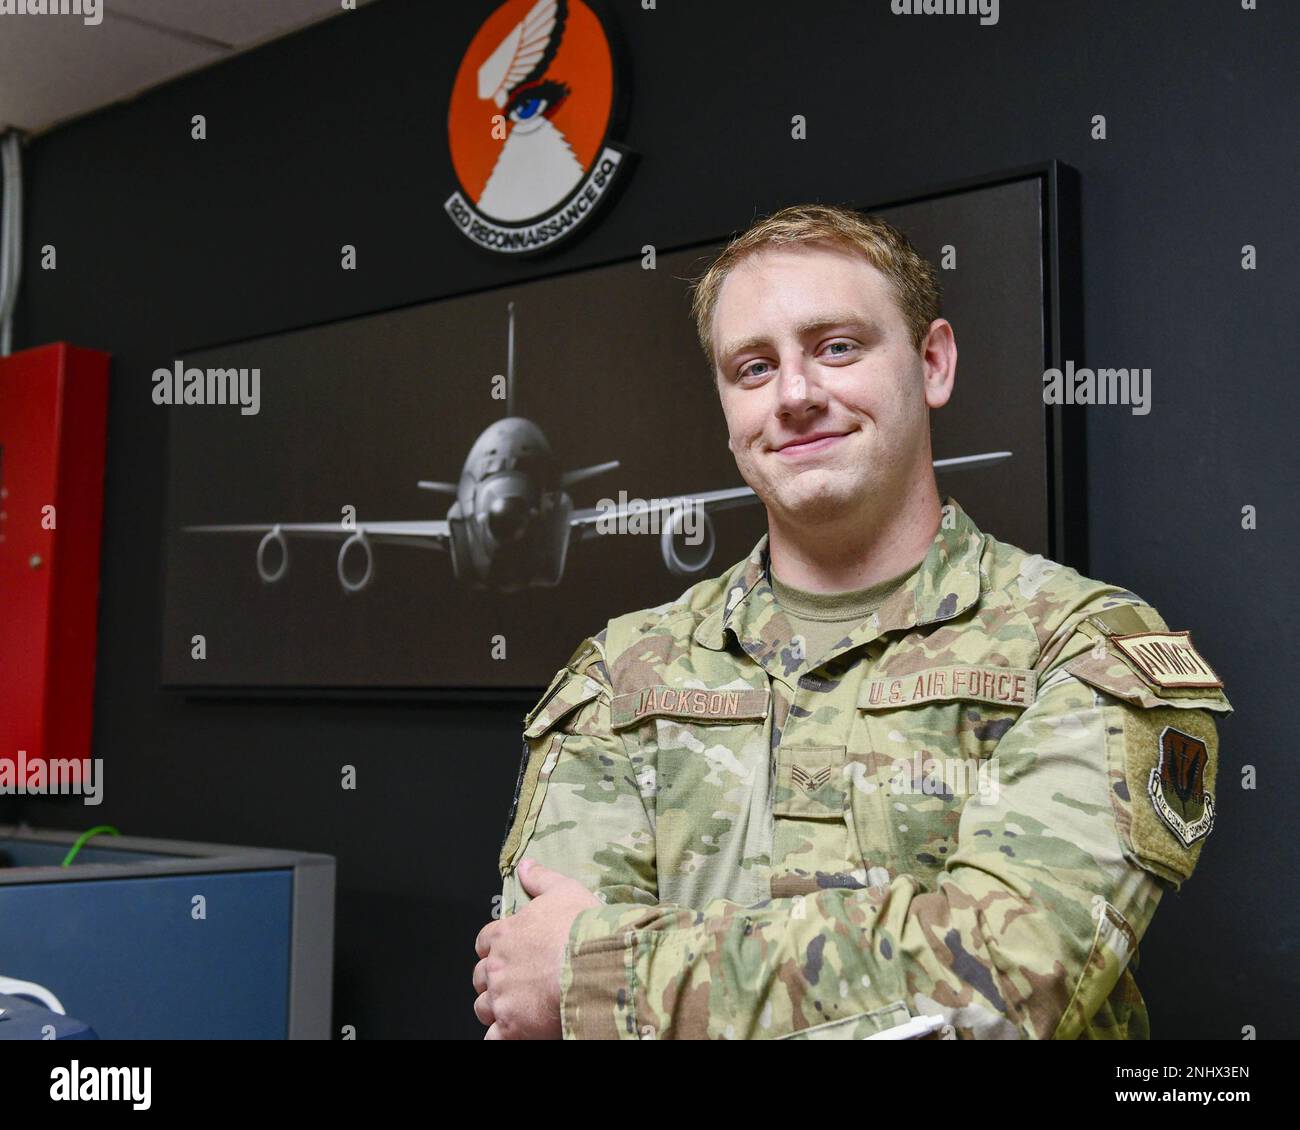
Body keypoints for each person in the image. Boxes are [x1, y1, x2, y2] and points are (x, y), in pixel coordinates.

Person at [471, 203, 1232, 1040]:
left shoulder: (1087, 648)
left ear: (933, 363)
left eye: (837, 347)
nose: (794, 395)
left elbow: (1003, 985)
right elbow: (532, 998)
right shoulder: (624, 675)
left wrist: (599, 978)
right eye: (752, 368)